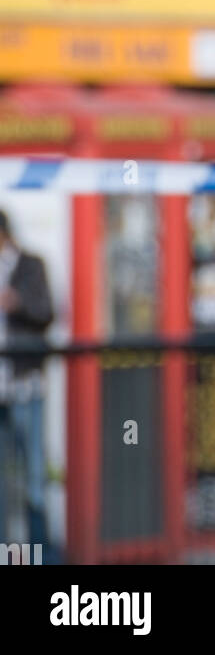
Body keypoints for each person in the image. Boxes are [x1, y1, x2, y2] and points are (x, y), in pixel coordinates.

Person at [0, 207, 54, 552]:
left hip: (25, 387)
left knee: (33, 473)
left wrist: (17, 302)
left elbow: (46, 313)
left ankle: (41, 554)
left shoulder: (30, 265)